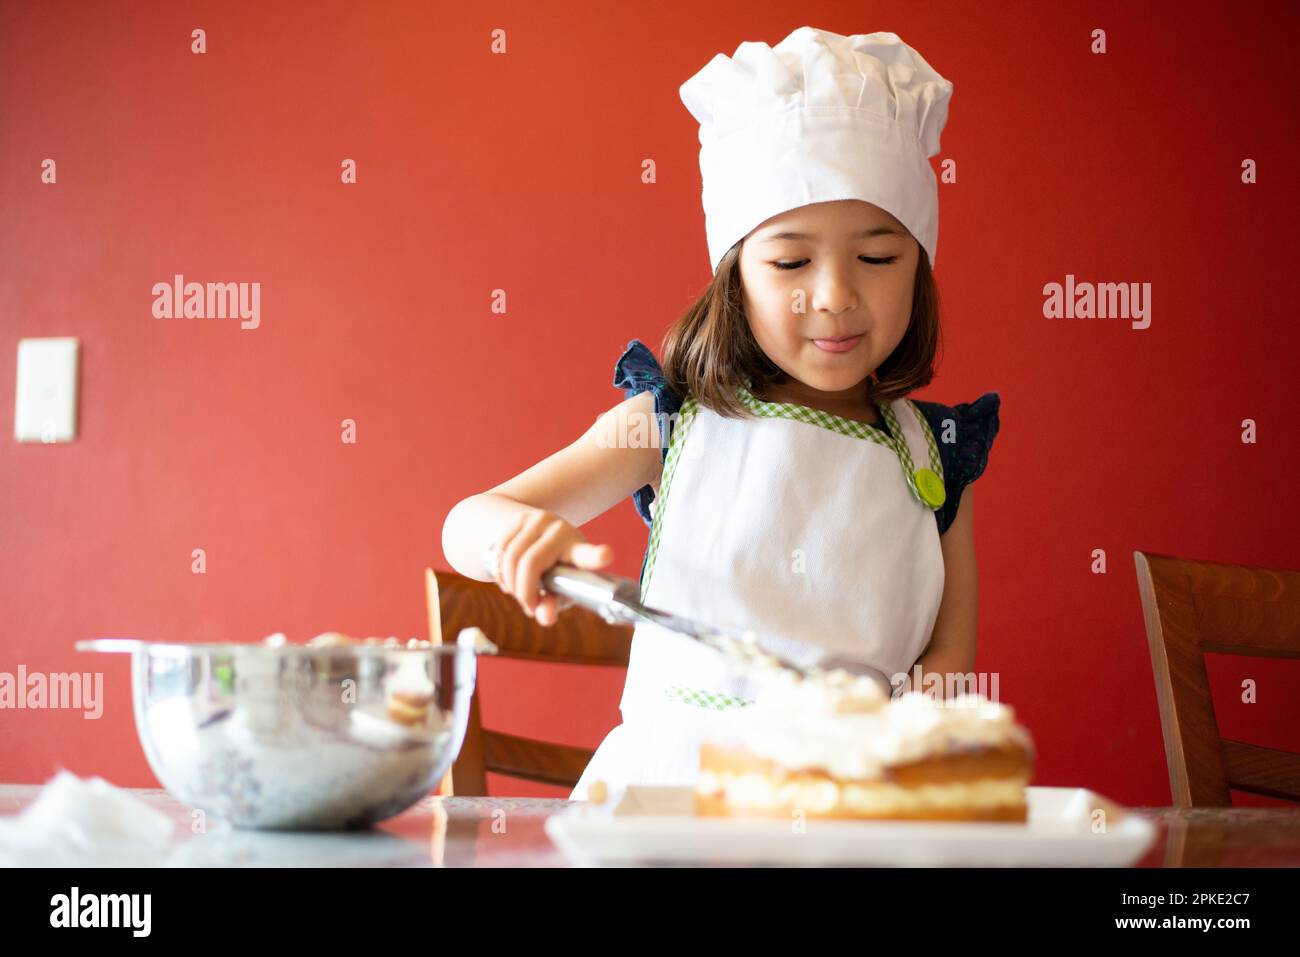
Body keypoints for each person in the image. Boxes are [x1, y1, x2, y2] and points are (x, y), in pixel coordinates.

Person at [440, 27, 1000, 802]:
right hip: (671, 802)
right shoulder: (673, 421)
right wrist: (516, 535)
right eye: (791, 260)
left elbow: (947, 662)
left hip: (849, 808)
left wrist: (910, 754)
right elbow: (466, 522)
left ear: (920, 267)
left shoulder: (938, 455)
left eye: (877, 257)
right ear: (735, 277)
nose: (835, 294)